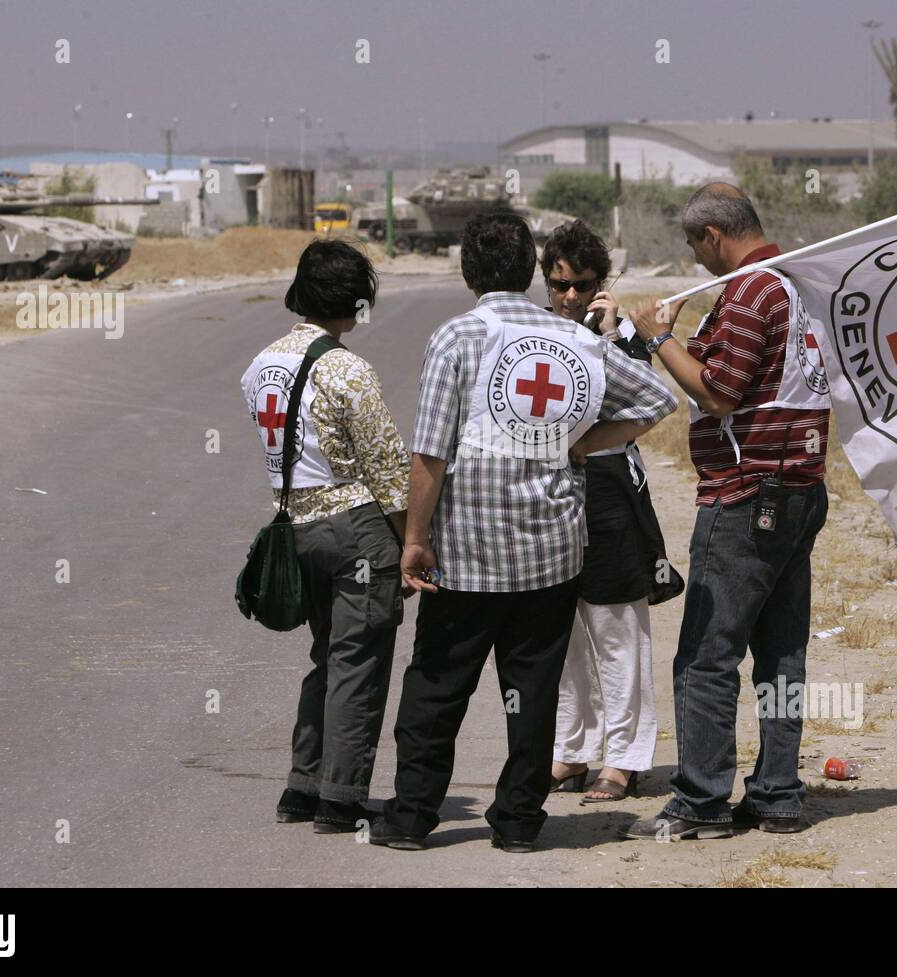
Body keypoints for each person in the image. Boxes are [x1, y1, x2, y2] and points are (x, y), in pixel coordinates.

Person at [370, 213, 677, 852]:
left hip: (467, 553)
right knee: (531, 692)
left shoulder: (457, 337)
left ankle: (410, 818)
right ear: (531, 269)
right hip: (552, 555)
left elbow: (429, 455)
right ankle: (517, 822)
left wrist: (415, 538)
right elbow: (656, 399)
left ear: (468, 272)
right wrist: (585, 443)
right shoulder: (580, 344)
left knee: (435, 690)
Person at [622, 184, 831, 840]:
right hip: (798, 490)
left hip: (746, 497)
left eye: (695, 246)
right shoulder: (795, 282)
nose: (698, 258)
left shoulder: (749, 292)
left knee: (707, 655)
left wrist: (658, 338)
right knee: (780, 652)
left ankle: (703, 798)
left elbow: (717, 393)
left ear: (713, 235)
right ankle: (776, 791)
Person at [239, 239, 411, 835]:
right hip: (355, 530)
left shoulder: (261, 363)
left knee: (326, 659)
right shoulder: (348, 370)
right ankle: (341, 799)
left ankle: (302, 787)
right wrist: (411, 542)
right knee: (357, 663)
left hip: (296, 530)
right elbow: (388, 470)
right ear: (355, 300)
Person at [538, 220, 682, 803]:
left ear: (603, 285)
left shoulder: (619, 338)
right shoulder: (533, 335)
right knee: (562, 630)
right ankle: (572, 750)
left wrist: (611, 330)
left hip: (606, 492)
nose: (569, 297)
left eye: (583, 285)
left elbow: (650, 401)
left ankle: (623, 759)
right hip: (546, 495)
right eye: (559, 285)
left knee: (616, 629)